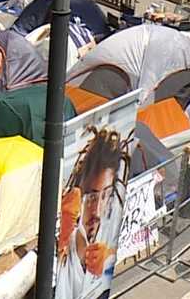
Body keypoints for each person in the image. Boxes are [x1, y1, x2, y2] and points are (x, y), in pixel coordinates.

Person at [56, 127, 127, 299]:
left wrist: (109, 255)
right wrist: (61, 241)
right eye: (92, 197)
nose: (97, 210)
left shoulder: (109, 233)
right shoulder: (62, 239)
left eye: (106, 195)